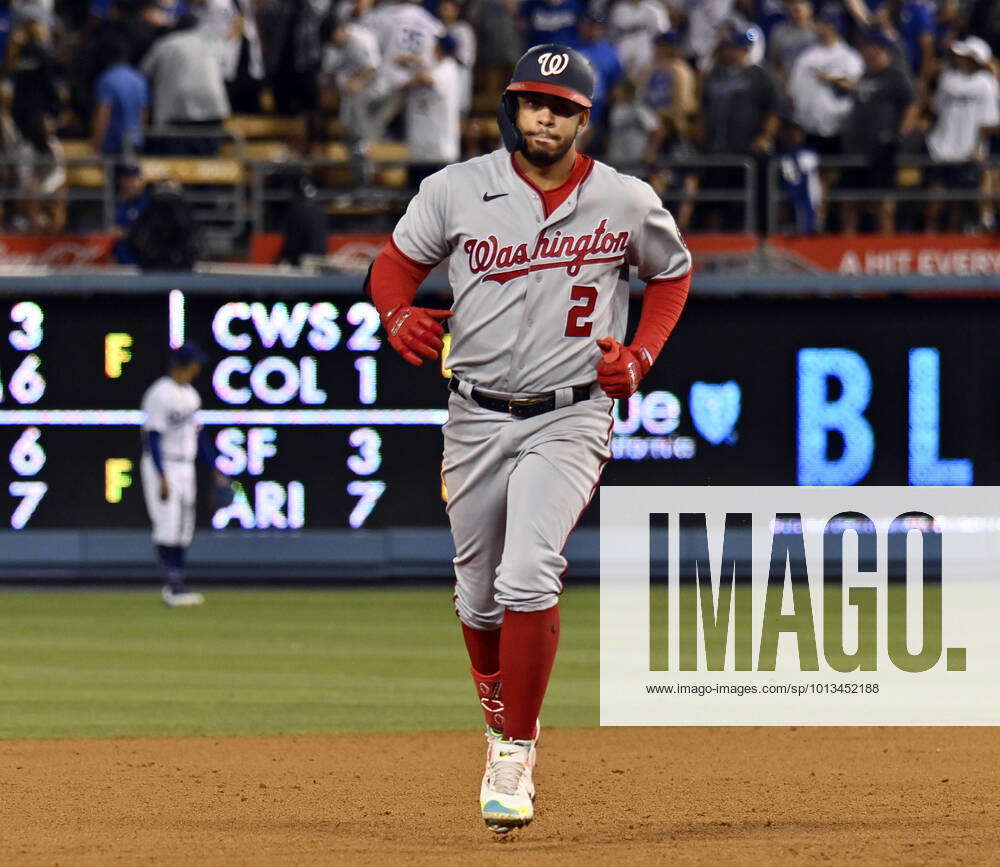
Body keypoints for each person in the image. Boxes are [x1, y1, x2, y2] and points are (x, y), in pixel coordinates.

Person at [364, 43, 691, 833]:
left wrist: (639, 355)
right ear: (514, 108)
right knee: (476, 595)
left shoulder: (623, 198)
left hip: (570, 412)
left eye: (560, 105)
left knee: (527, 573)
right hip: (474, 411)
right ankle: (502, 717)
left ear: (585, 116)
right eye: (531, 102)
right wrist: (395, 312)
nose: (543, 115)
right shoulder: (457, 188)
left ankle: (513, 747)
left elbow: (671, 274)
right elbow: (393, 266)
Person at [140, 342, 222, 608]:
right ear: (182, 364)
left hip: (186, 465)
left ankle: (178, 584)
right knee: (167, 523)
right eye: (194, 363)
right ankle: (172, 585)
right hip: (163, 464)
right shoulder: (159, 394)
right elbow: (152, 437)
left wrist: (213, 466)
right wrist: (161, 475)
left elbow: (198, 434)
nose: (197, 368)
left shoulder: (191, 394)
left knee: (184, 527)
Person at [839, 28, 918, 234]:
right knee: (850, 202)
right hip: (857, 148)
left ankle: (884, 252)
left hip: (882, 150)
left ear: (879, 49)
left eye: (868, 47)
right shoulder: (864, 75)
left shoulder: (896, 75)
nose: (864, 51)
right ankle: (849, 251)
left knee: (882, 205)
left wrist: (899, 136)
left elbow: (911, 106)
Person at [925, 37, 1000, 232]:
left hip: (968, 152)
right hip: (940, 149)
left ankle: (953, 242)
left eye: (964, 55)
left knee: (958, 204)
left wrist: (977, 148)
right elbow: (936, 109)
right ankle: (928, 239)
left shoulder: (986, 83)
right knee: (936, 200)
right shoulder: (948, 79)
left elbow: (990, 122)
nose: (959, 58)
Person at [403, 33, 462, 188]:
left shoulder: (448, 67)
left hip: (438, 150)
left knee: (435, 201)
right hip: (421, 150)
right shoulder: (436, 67)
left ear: (441, 48)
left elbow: (429, 79)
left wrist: (415, 66)